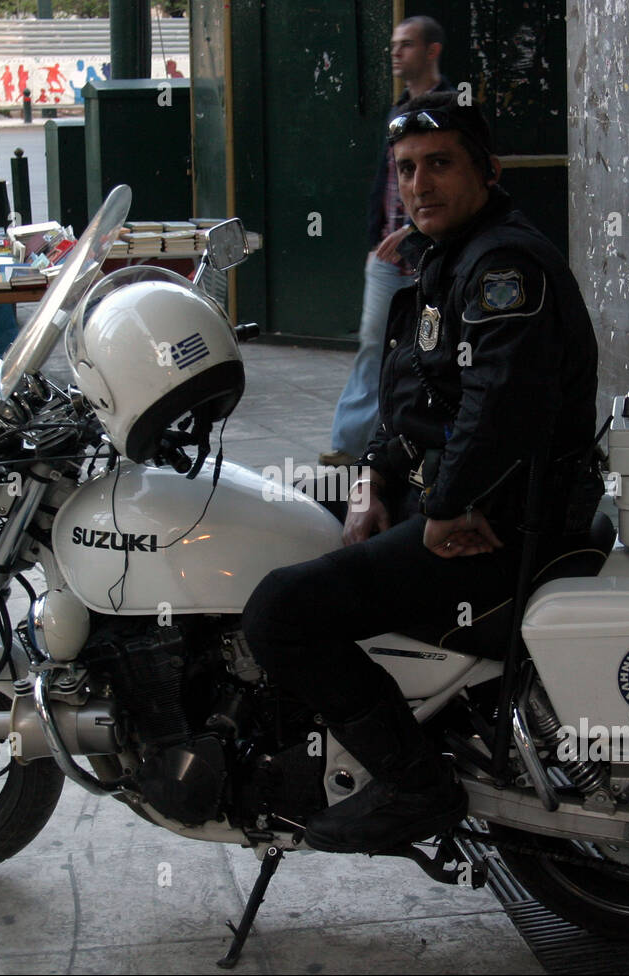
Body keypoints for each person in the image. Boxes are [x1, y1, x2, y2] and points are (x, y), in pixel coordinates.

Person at [243, 92, 600, 854]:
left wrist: (444, 505)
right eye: (407, 169)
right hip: (458, 499)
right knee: (266, 517)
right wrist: (370, 482)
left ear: (489, 172)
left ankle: (413, 786)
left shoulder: (504, 265)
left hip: (496, 527)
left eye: (440, 164)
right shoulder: (449, 258)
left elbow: (500, 402)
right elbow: (411, 397)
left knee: (281, 610)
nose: (419, 183)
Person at [320, 16, 451, 468]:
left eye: (407, 45)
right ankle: (351, 445)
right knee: (373, 343)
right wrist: (375, 236)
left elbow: (454, 188)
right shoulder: (398, 110)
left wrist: (414, 231)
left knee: (429, 349)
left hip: (430, 251)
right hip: (387, 254)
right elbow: (388, 179)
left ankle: (409, 444)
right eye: (393, 45)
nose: (396, 53)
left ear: (431, 52)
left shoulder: (450, 109)